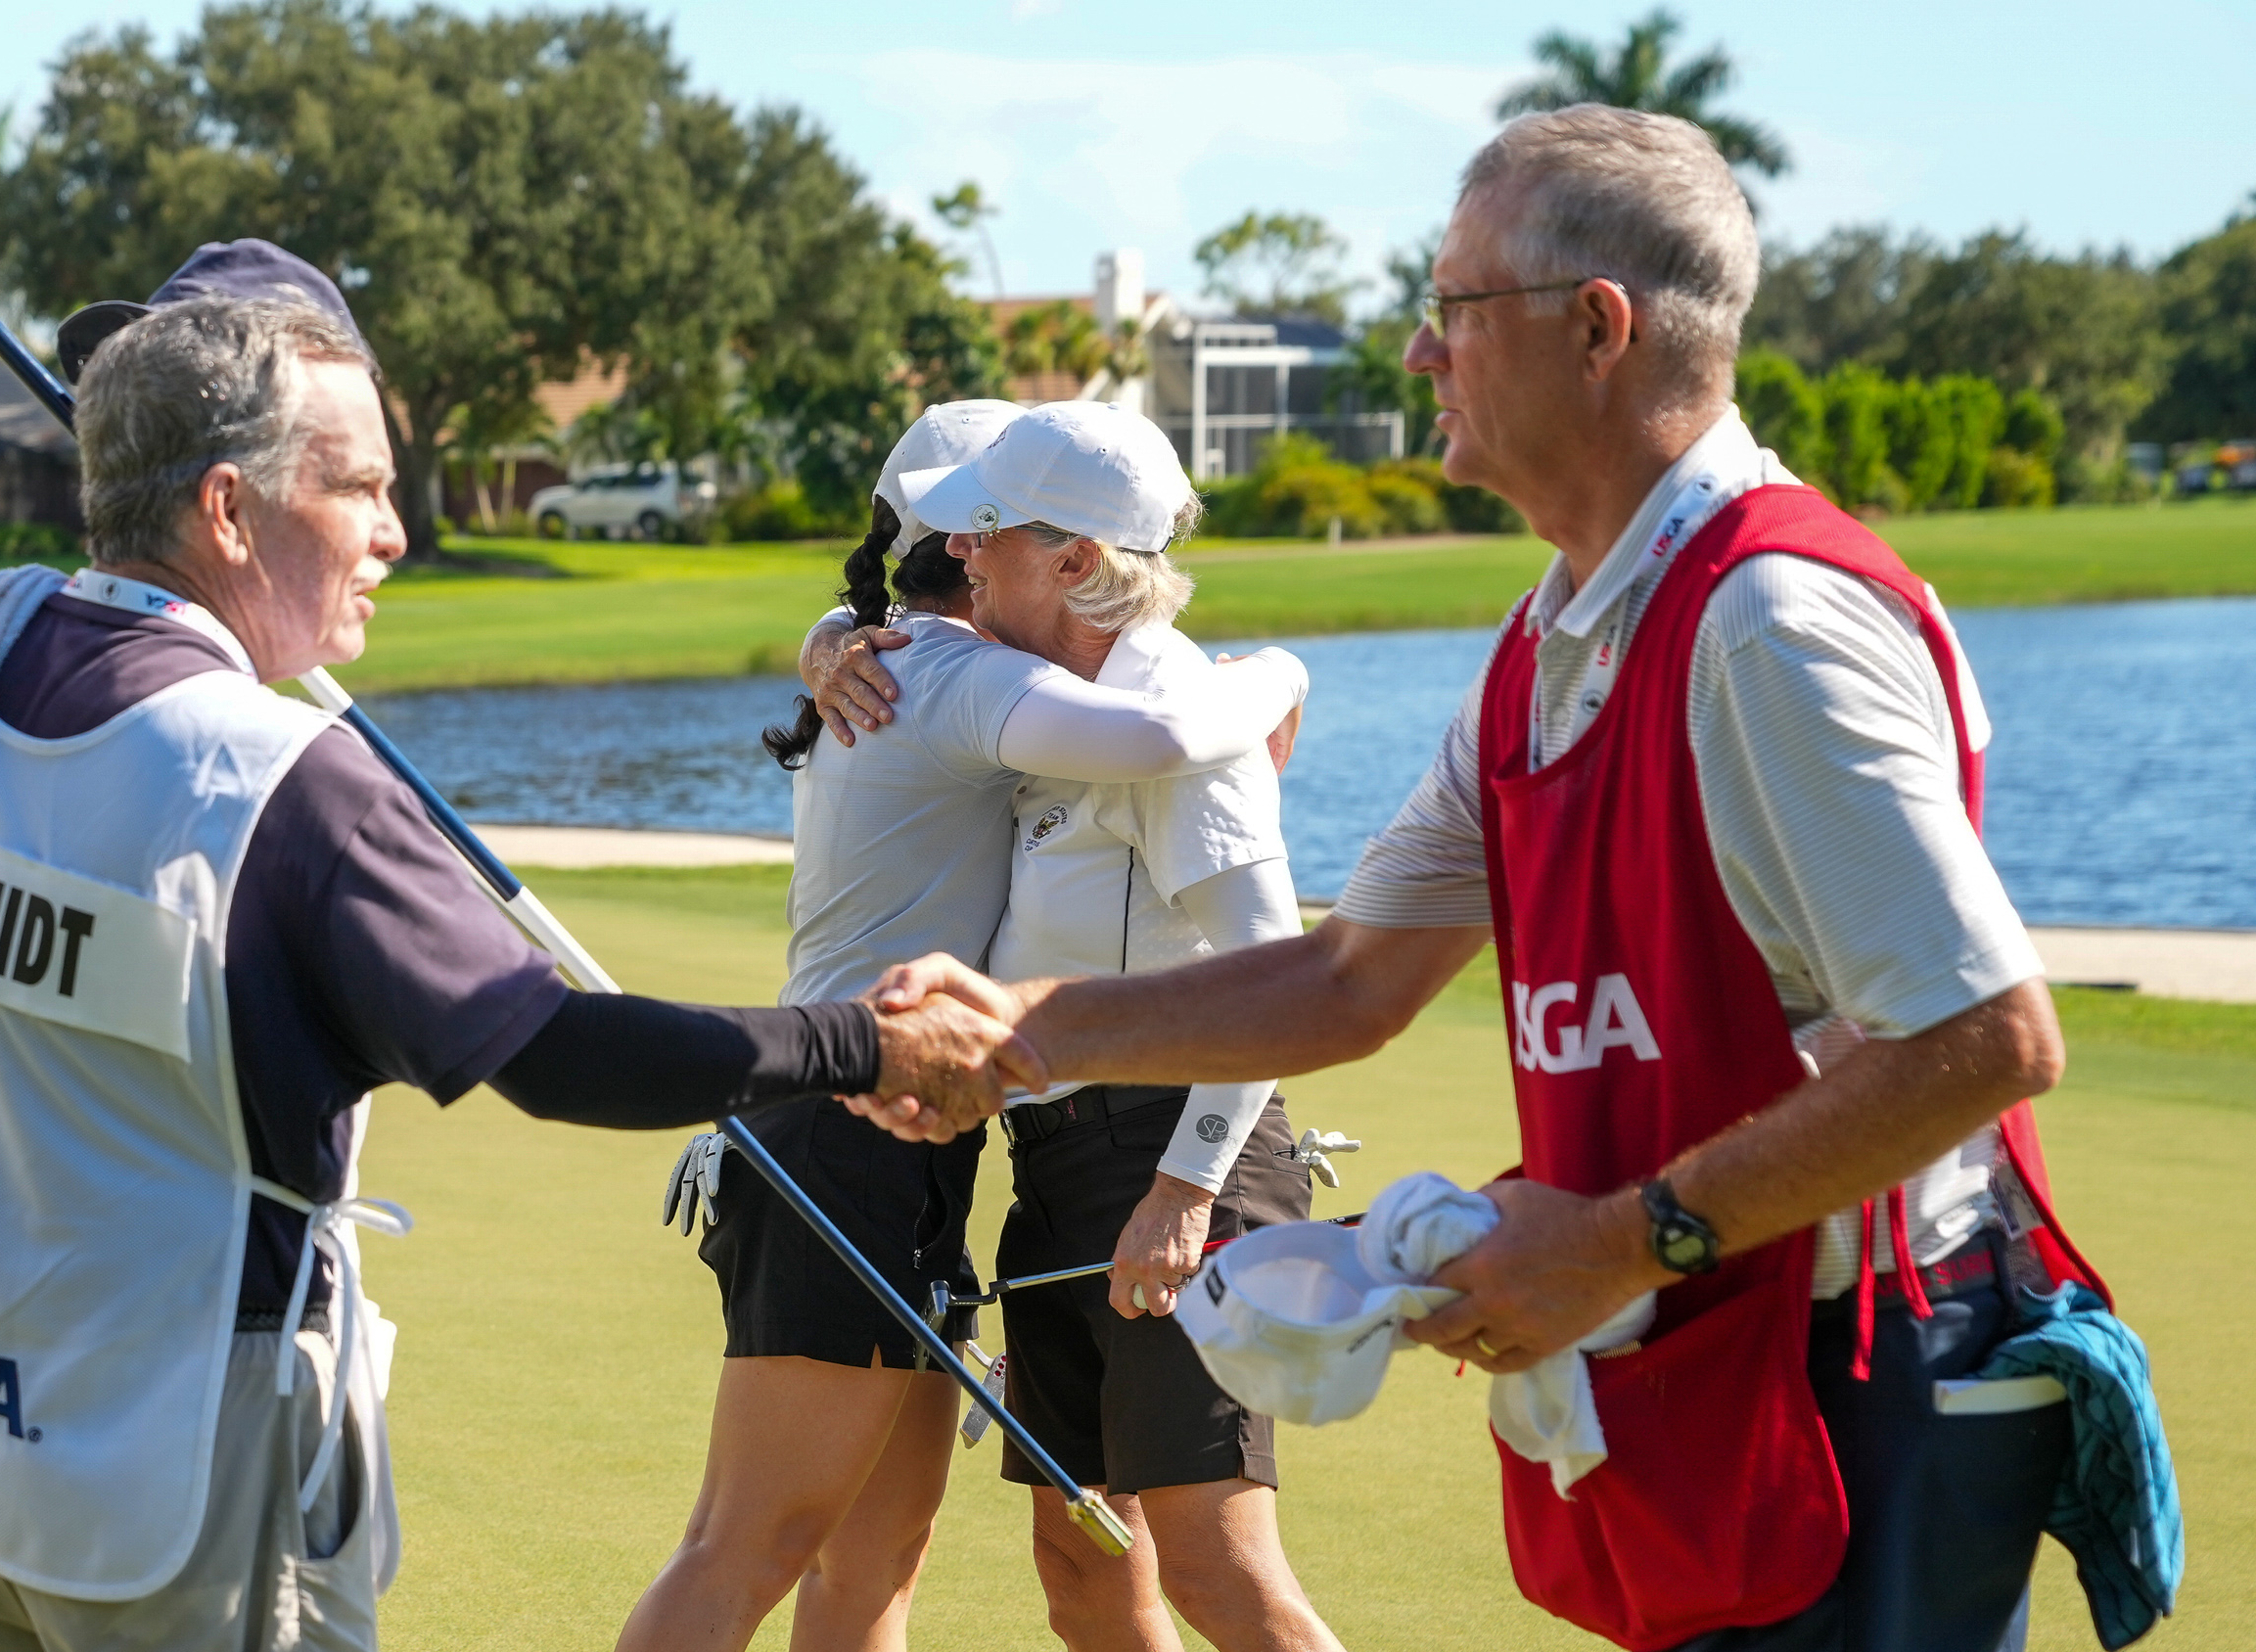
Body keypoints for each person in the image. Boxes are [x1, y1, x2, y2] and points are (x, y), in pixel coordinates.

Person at [852, 108, 2114, 1652]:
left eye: (1455, 310)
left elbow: (1986, 1038)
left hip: (1858, 1369)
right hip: (1701, 1341)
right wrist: (1029, 1033)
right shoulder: (1550, 637)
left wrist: (1610, 1238)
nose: (1417, 355)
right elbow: (1347, 980)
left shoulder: (1768, 619)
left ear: (1597, 329)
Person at [0, 242, 1030, 1652]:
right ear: (227, 507)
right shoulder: (288, 786)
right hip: (182, 1498)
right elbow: (563, 1054)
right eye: (363, 489)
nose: (396, 532)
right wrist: (865, 1043)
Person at [621, 400, 1312, 1652]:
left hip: (927, 1136)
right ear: (962, 541)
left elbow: (1237, 909)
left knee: (873, 1559)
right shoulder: (951, 673)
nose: (983, 547)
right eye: (978, 523)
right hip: (856, 1127)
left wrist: (824, 633)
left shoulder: (924, 663)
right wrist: (1283, 669)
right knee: (761, 1545)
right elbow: (1162, 726)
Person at [882, 400, 1341, 1652]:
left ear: (1078, 562)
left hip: (1176, 1157)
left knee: (1218, 1569)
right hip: (1063, 1164)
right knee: (1084, 1553)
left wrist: (1185, 1189)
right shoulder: (1050, 698)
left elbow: (1275, 974)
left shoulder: (1180, 719)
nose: (958, 552)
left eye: (987, 531)